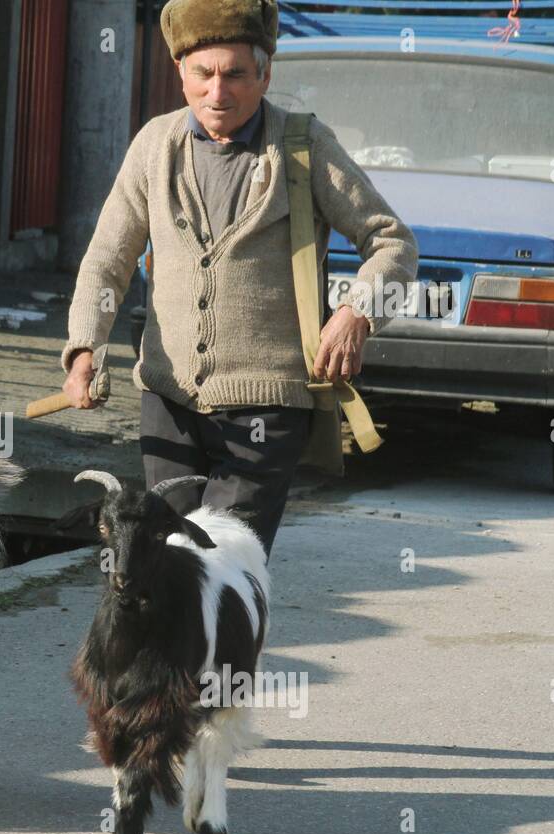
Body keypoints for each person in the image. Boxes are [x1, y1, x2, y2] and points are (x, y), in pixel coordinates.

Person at [61, 0, 418, 558]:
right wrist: (85, 345)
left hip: (266, 410)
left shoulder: (303, 147)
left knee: (221, 566)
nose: (217, 92)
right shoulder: (154, 146)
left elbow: (391, 241)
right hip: (169, 399)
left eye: (235, 75)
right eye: (202, 74)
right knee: (161, 562)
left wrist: (356, 313)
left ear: (265, 75)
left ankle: (228, 649)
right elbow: (109, 255)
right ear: (180, 72)